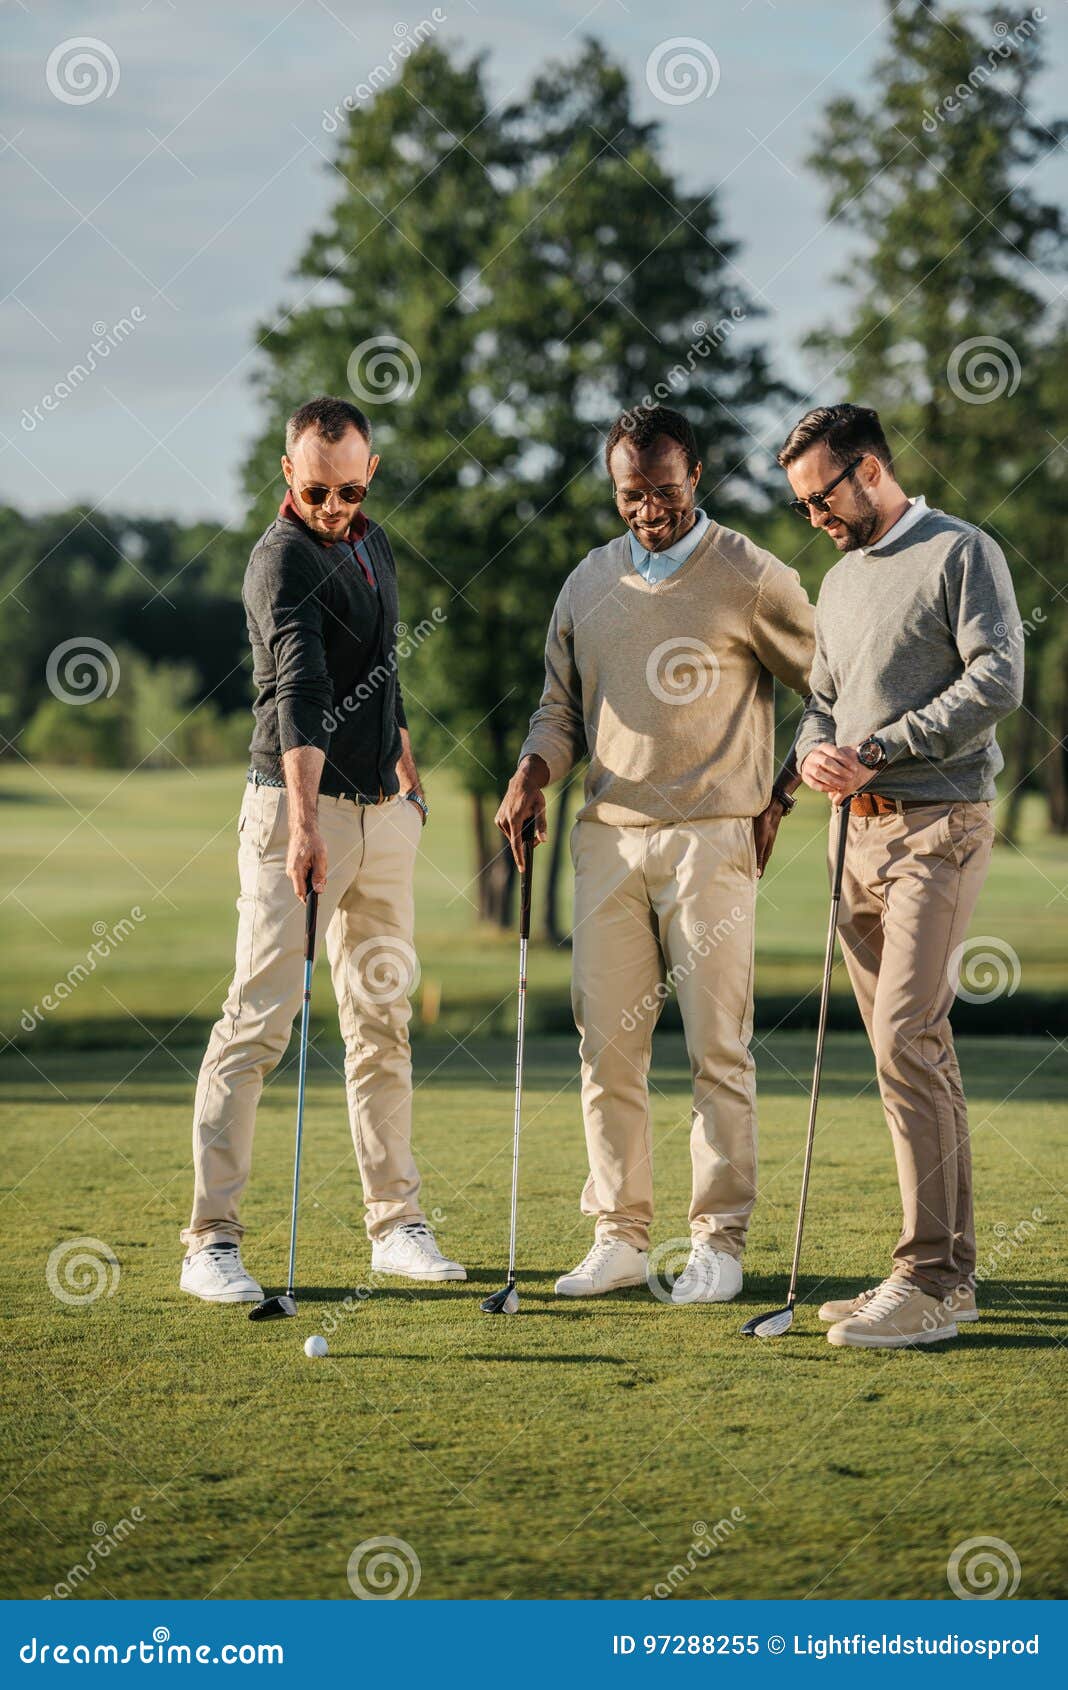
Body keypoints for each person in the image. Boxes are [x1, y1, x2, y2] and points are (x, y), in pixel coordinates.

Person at [496, 405, 815, 1304]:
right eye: (630, 495)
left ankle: (717, 1240)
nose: (648, 511)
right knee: (609, 1051)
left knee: (718, 1047)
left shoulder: (752, 575)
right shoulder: (588, 581)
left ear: (697, 477)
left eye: (665, 492)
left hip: (712, 839)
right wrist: (532, 772)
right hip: (607, 838)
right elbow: (558, 710)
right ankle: (621, 1237)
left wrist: (782, 788)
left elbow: (829, 684)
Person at [181, 395, 464, 1303]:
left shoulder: (370, 541)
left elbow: (380, 671)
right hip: (298, 814)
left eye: (347, 489)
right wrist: (306, 826)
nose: (333, 507)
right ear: (286, 477)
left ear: (370, 471)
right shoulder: (281, 561)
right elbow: (299, 693)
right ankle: (210, 1242)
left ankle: (396, 1226)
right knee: (259, 1021)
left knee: (381, 1020)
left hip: (384, 813)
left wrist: (406, 773)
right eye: (315, 491)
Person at [783, 402, 1023, 1349]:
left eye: (822, 497)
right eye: (802, 506)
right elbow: (819, 703)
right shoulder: (839, 582)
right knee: (913, 1050)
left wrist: (879, 749)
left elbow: (996, 677)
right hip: (857, 842)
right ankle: (946, 1280)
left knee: (902, 1037)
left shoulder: (965, 552)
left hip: (940, 828)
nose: (816, 519)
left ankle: (926, 1281)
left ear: (870, 469)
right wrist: (812, 756)